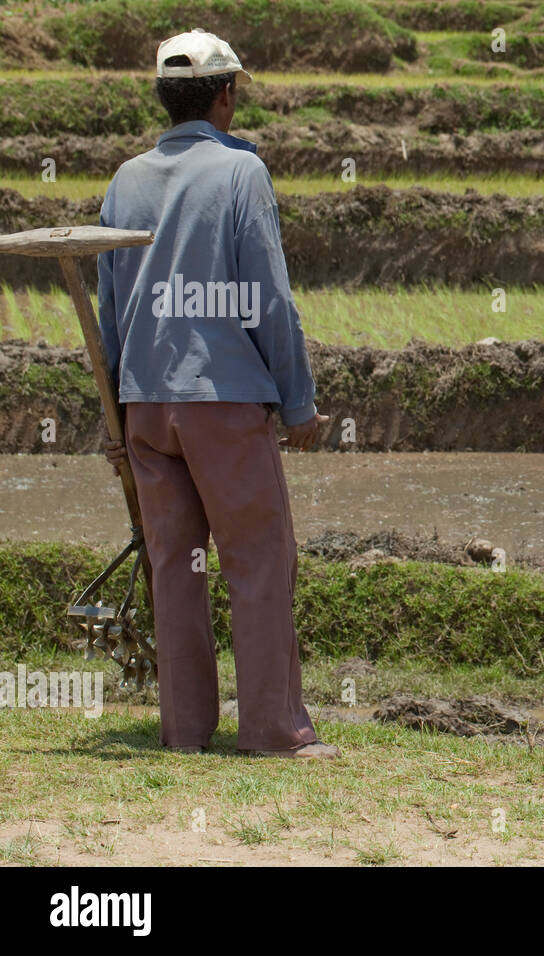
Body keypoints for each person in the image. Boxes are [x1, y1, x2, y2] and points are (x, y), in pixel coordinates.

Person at [99, 29, 337, 758]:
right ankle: (271, 730)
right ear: (226, 94)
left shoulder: (125, 179)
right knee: (257, 559)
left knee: (176, 565)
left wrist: (118, 411)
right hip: (222, 399)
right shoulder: (241, 174)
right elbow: (268, 297)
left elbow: (111, 305)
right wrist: (297, 404)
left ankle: (185, 731)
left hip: (145, 403)